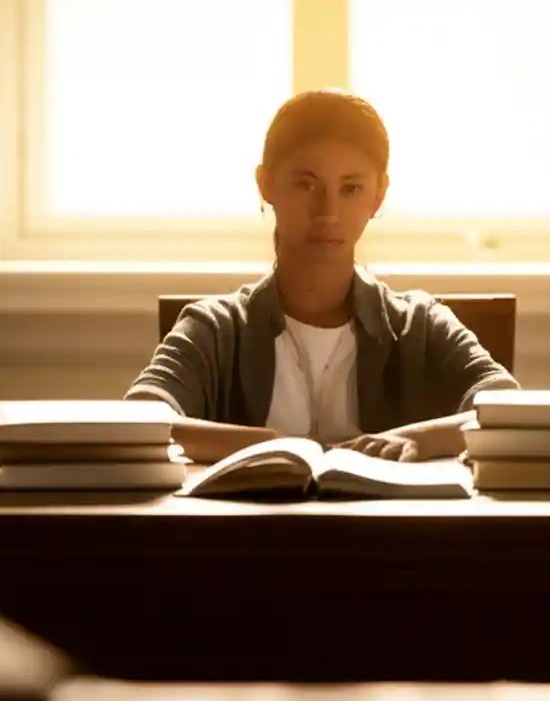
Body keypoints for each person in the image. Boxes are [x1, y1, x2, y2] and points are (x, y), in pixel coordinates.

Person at [126, 89, 518, 463]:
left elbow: (507, 409)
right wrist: (266, 445)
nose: (327, 211)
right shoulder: (216, 329)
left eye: (350, 188)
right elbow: (140, 419)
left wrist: (413, 439)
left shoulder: (420, 325)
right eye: (306, 184)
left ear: (378, 195)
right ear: (266, 185)